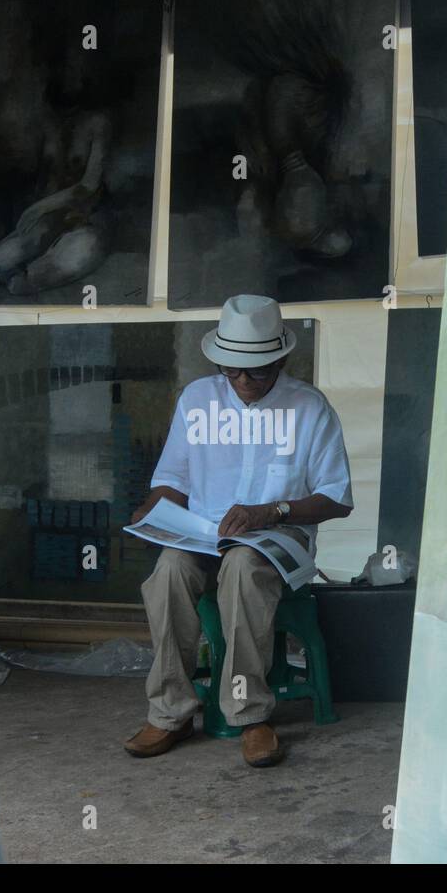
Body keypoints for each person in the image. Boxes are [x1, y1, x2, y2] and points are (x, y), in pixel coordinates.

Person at [124, 295, 354, 767]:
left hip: (276, 537)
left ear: (282, 359)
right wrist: (150, 512)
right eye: (232, 370)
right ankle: (171, 711)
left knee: (244, 568)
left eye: (258, 370)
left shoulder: (310, 409)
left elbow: (336, 498)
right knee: (168, 571)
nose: (244, 380)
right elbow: (172, 480)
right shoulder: (197, 400)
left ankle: (250, 715)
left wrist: (273, 510)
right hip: (204, 534)